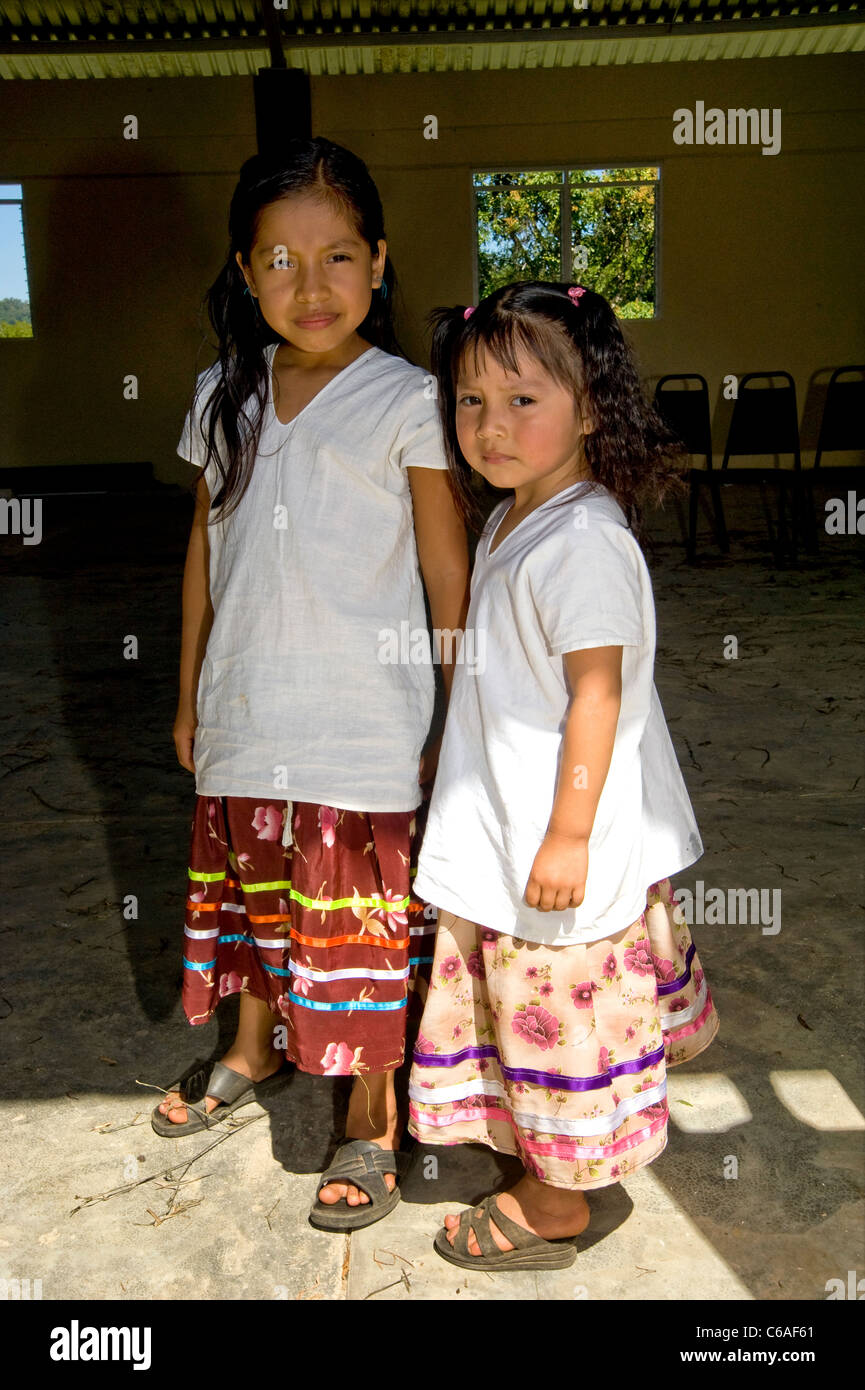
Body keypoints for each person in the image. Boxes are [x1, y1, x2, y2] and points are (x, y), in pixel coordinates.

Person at [155, 138, 469, 1233]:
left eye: (337, 256)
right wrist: (191, 692)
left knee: (356, 930)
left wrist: (455, 706)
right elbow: (206, 551)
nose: (311, 284)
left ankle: (373, 1117)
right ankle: (255, 1045)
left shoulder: (408, 399)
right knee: (251, 903)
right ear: (245, 274)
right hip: (249, 714)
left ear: (379, 264)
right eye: (279, 260)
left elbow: (444, 569)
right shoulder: (220, 394)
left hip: (361, 731)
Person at [408, 281, 720, 1271]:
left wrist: (569, 834)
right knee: (529, 1009)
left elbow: (598, 695)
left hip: (558, 836)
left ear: (589, 407)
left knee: (556, 1017)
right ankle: (545, 1149)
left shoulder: (583, 540)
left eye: (521, 400)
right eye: (468, 402)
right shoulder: (515, 517)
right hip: (516, 816)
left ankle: (555, 1201)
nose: (489, 426)